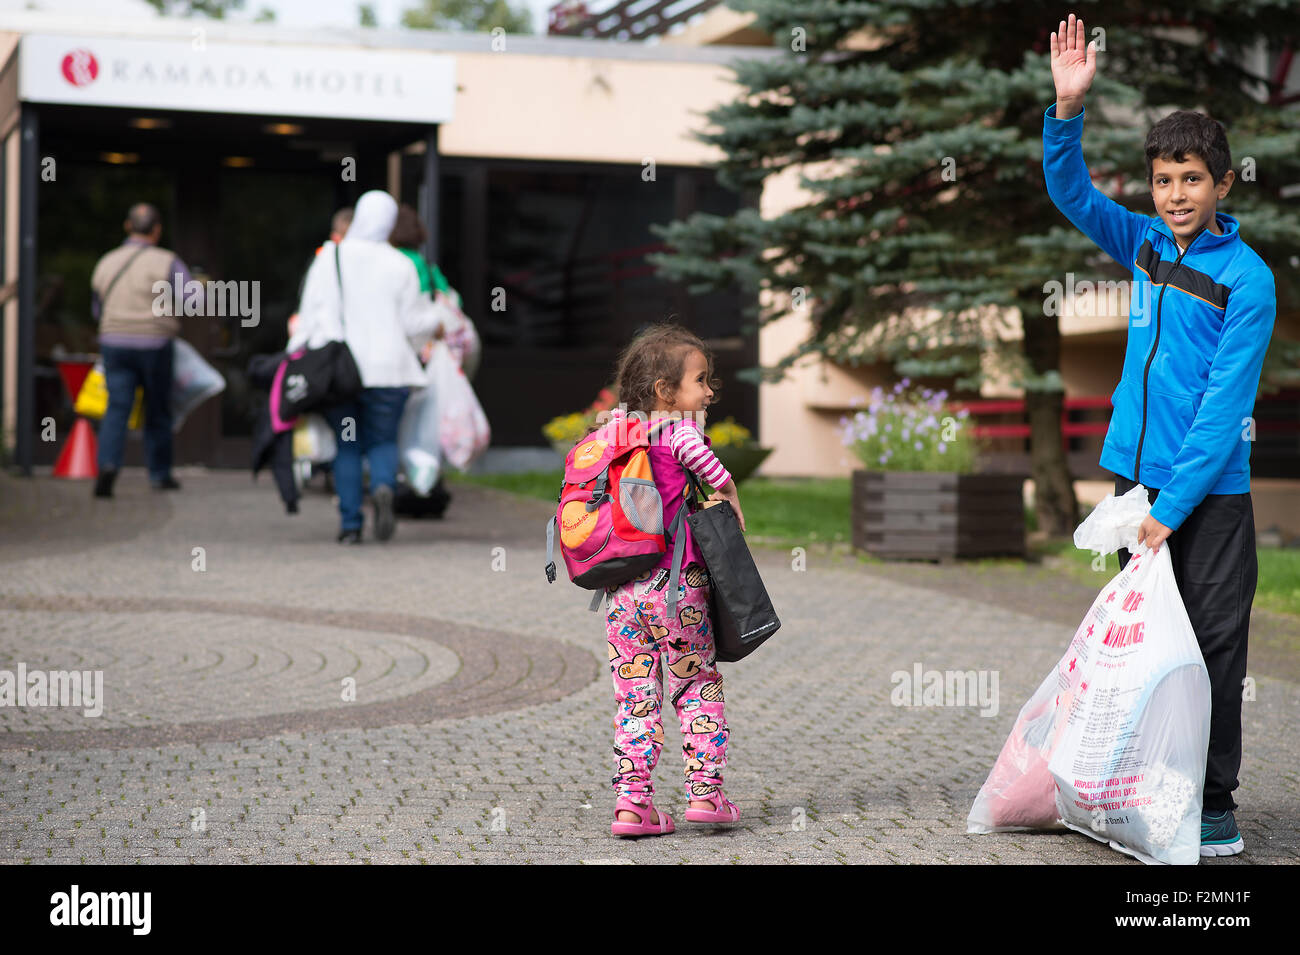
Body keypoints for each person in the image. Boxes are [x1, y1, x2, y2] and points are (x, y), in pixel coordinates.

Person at [1046, 14, 1276, 857]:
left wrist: (1171, 508)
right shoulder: (1143, 242)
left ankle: (1211, 804)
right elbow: (1072, 195)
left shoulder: (1247, 282)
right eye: (1163, 179)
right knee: (1143, 647)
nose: (1175, 194)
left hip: (1205, 497)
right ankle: (1144, 783)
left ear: (1222, 184)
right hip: (1134, 485)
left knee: (1213, 648)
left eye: (1191, 179)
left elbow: (1223, 410)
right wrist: (1067, 109)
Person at [598, 323, 746, 838]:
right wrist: (731, 503)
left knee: (635, 695)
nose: (709, 391)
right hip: (677, 589)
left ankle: (632, 804)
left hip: (622, 592)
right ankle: (706, 796)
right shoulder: (681, 431)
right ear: (666, 391)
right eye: (701, 380)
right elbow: (717, 476)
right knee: (696, 687)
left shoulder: (616, 430)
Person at [289, 190, 445, 543]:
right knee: (383, 441)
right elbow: (415, 323)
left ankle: (350, 525)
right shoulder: (401, 264)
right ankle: (383, 487)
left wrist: (297, 352)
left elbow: (310, 314)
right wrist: (436, 322)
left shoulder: (330, 258)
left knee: (347, 445)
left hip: (340, 372)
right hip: (390, 372)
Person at [89, 203, 189, 497]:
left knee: (117, 408)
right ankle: (159, 474)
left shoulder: (106, 262)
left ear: (127, 226)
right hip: (155, 344)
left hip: (114, 342)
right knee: (157, 409)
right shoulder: (167, 261)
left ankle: (107, 465)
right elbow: (193, 300)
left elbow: (97, 309)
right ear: (157, 230)